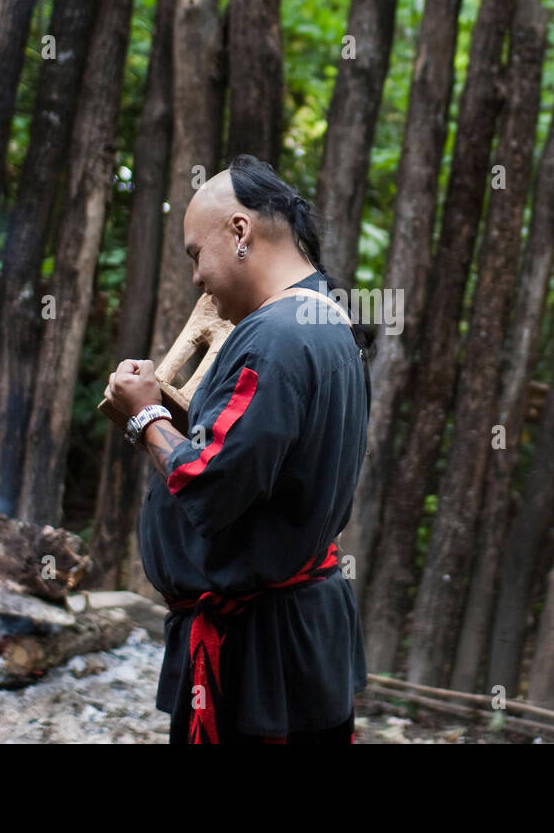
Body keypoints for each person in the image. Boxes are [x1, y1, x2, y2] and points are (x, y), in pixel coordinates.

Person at [105, 154, 373, 744]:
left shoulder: (275, 339)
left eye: (195, 255)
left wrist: (144, 415)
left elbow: (210, 479)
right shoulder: (329, 322)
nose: (196, 278)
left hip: (256, 651)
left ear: (240, 232)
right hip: (296, 635)